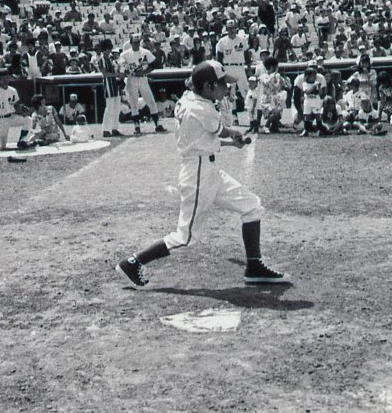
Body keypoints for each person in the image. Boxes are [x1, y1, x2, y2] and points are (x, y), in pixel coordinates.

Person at [116, 60, 288, 287]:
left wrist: (230, 145)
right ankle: (132, 262)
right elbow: (222, 130)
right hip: (198, 173)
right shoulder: (202, 108)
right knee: (185, 237)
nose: (226, 88)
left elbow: (202, 139)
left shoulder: (189, 97)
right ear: (207, 87)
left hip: (206, 167)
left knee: (251, 207)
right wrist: (234, 135)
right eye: (221, 85)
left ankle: (254, 266)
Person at [119, 35, 165, 133]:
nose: (136, 44)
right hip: (132, 79)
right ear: (130, 43)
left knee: (151, 100)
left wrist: (144, 72)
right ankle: (137, 127)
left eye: (137, 42)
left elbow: (154, 64)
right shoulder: (125, 54)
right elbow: (122, 67)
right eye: (134, 42)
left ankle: (157, 124)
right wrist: (126, 70)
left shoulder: (145, 52)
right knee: (133, 103)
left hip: (143, 78)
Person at [0, 73, 33, 151]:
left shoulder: (12, 90)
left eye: (7, 78)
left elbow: (16, 104)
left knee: (28, 120)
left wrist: (22, 109)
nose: (5, 80)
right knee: (2, 146)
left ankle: (22, 141)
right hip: (0, 119)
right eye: (3, 78)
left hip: (11, 116)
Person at [95, 38, 124, 138]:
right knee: (109, 108)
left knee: (117, 107)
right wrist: (116, 74)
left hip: (115, 85)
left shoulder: (112, 59)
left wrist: (121, 73)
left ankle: (115, 128)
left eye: (110, 48)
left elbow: (116, 68)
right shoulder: (101, 60)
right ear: (103, 49)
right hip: (108, 84)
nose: (109, 51)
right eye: (107, 49)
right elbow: (105, 74)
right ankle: (105, 129)